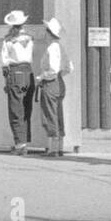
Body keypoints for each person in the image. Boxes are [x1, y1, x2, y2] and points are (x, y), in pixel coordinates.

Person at [0, 9, 35, 154]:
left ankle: (20, 144)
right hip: (29, 73)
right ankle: (25, 141)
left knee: (15, 109)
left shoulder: (8, 40)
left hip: (15, 73)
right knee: (27, 109)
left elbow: (4, 61)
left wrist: (5, 79)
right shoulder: (30, 38)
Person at [36, 17, 72, 157]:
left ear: (49, 32)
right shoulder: (60, 47)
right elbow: (69, 67)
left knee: (49, 114)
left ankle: (53, 148)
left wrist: (41, 77)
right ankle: (60, 146)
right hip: (59, 82)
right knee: (58, 114)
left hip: (50, 83)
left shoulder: (51, 48)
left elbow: (52, 69)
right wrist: (60, 74)